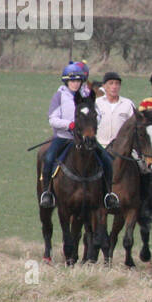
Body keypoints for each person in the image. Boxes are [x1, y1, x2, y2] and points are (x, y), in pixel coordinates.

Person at [40, 62, 119, 211]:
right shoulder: (59, 96)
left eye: (78, 80)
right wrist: (69, 125)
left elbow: (98, 115)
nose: (75, 84)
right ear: (66, 81)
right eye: (72, 81)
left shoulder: (87, 96)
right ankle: (47, 193)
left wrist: (89, 126)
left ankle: (109, 195)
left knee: (107, 160)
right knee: (49, 158)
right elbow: (52, 119)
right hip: (63, 138)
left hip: (85, 138)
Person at [95, 71, 136, 149]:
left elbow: (134, 126)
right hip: (100, 147)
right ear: (104, 86)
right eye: (111, 83)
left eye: (117, 83)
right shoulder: (96, 103)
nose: (114, 86)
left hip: (121, 148)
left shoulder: (128, 104)